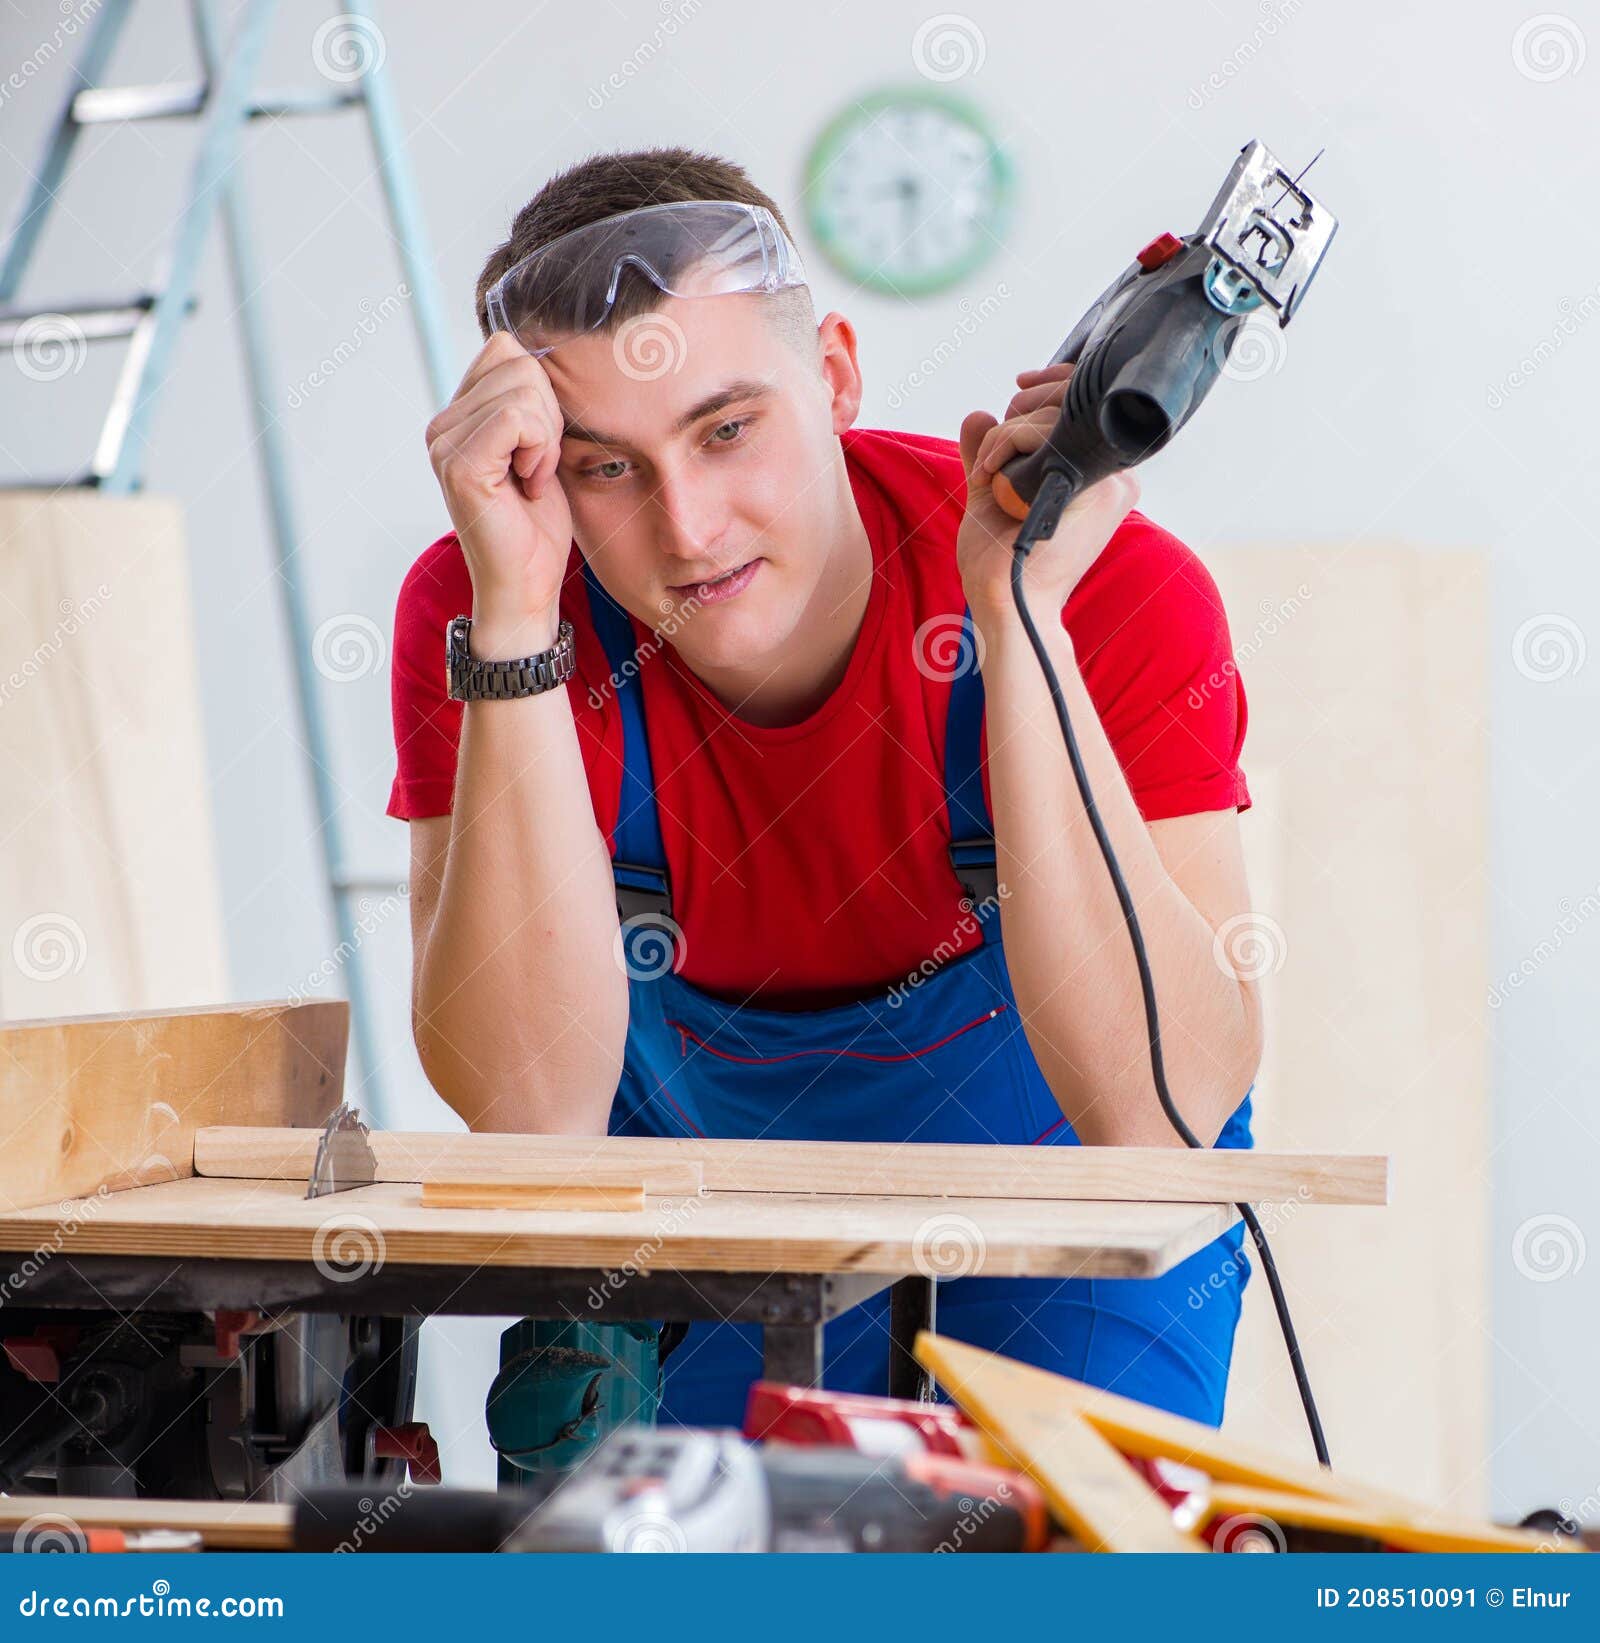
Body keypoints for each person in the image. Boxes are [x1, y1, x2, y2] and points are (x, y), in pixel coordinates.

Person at [388, 146, 1264, 1429]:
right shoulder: (495, 613)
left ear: (837, 376)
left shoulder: (1110, 589)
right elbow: (531, 1119)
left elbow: (1158, 1114)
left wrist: (1018, 625)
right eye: (604, 467)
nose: (688, 525)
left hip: (1067, 1202)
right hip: (699, 1215)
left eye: (728, 428)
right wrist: (515, 610)